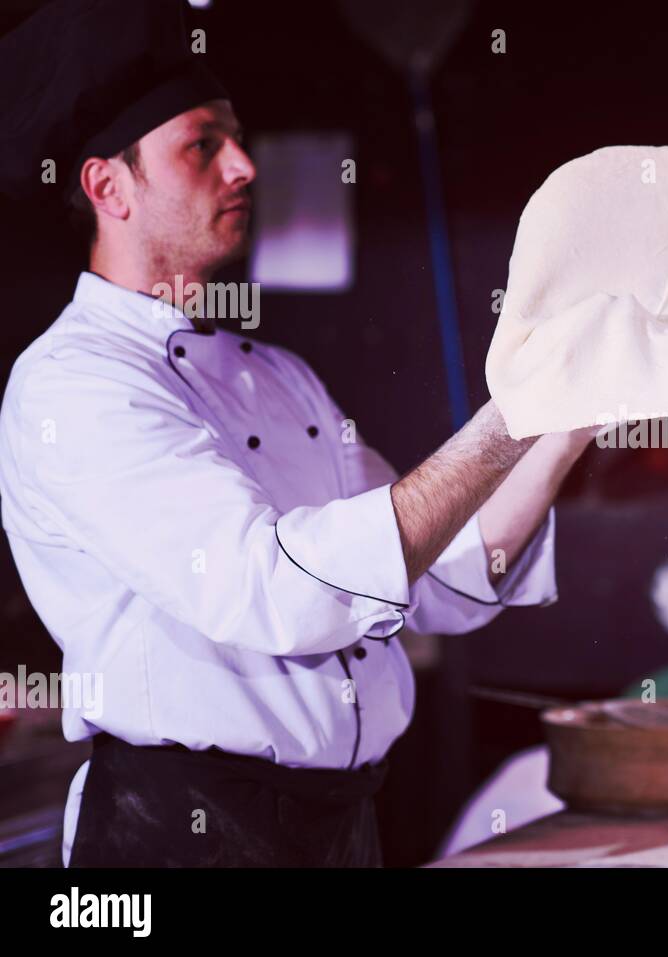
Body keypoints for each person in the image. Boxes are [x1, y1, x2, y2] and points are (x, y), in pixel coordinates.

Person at [0, 0, 591, 866]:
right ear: (109, 187)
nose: (243, 164)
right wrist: (508, 418)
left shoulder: (278, 376)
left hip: (341, 825)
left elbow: (447, 576)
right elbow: (278, 590)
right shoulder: (74, 384)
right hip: (180, 833)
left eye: (237, 137)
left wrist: (567, 418)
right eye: (203, 144)